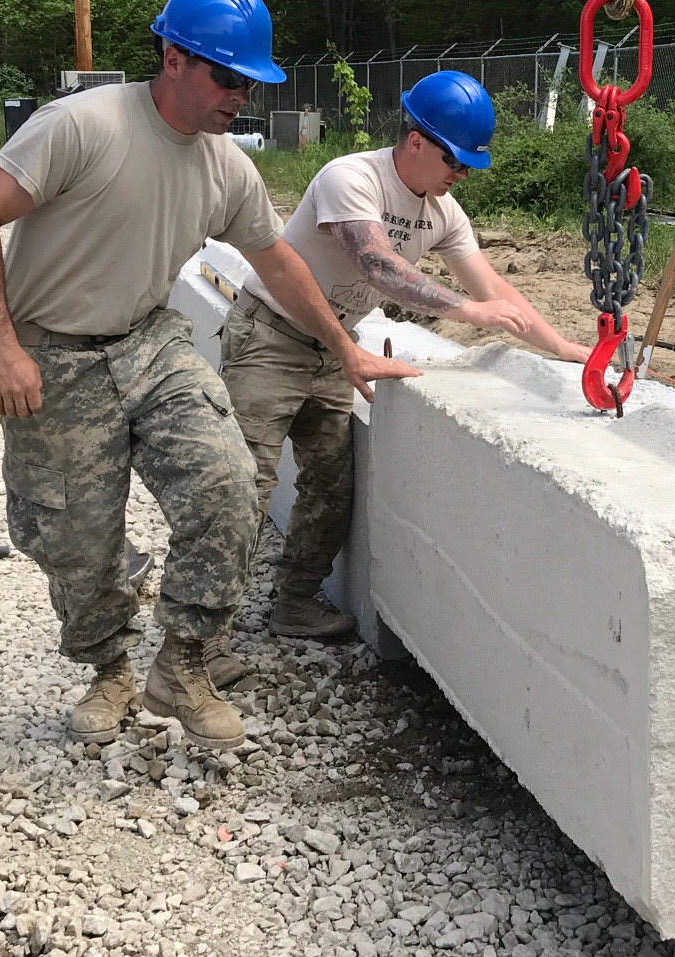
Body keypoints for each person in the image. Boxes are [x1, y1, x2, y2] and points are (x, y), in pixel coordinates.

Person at [0, 0, 418, 749]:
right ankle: (108, 670)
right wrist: (0, 348)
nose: (241, 96)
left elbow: (277, 263)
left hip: (150, 341)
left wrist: (346, 349)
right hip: (52, 354)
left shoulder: (225, 167)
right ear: (174, 59)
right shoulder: (83, 126)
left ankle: (185, 663)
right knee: (72, 536)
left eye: (251, 83)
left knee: (229, 483)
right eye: (228, 78)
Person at [215, 71, 588, 675]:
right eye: (454, 160)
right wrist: (464, 311)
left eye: (469, 164)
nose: (461, 174)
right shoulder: (351, 178)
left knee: (331, 486)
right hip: (272, 338)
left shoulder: (443, 212)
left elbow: (492, 287)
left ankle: (295, 602)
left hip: (337, 351)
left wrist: (562, 346)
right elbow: (376, 263)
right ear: (416, 140)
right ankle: (202, 639)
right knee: (240, 487)